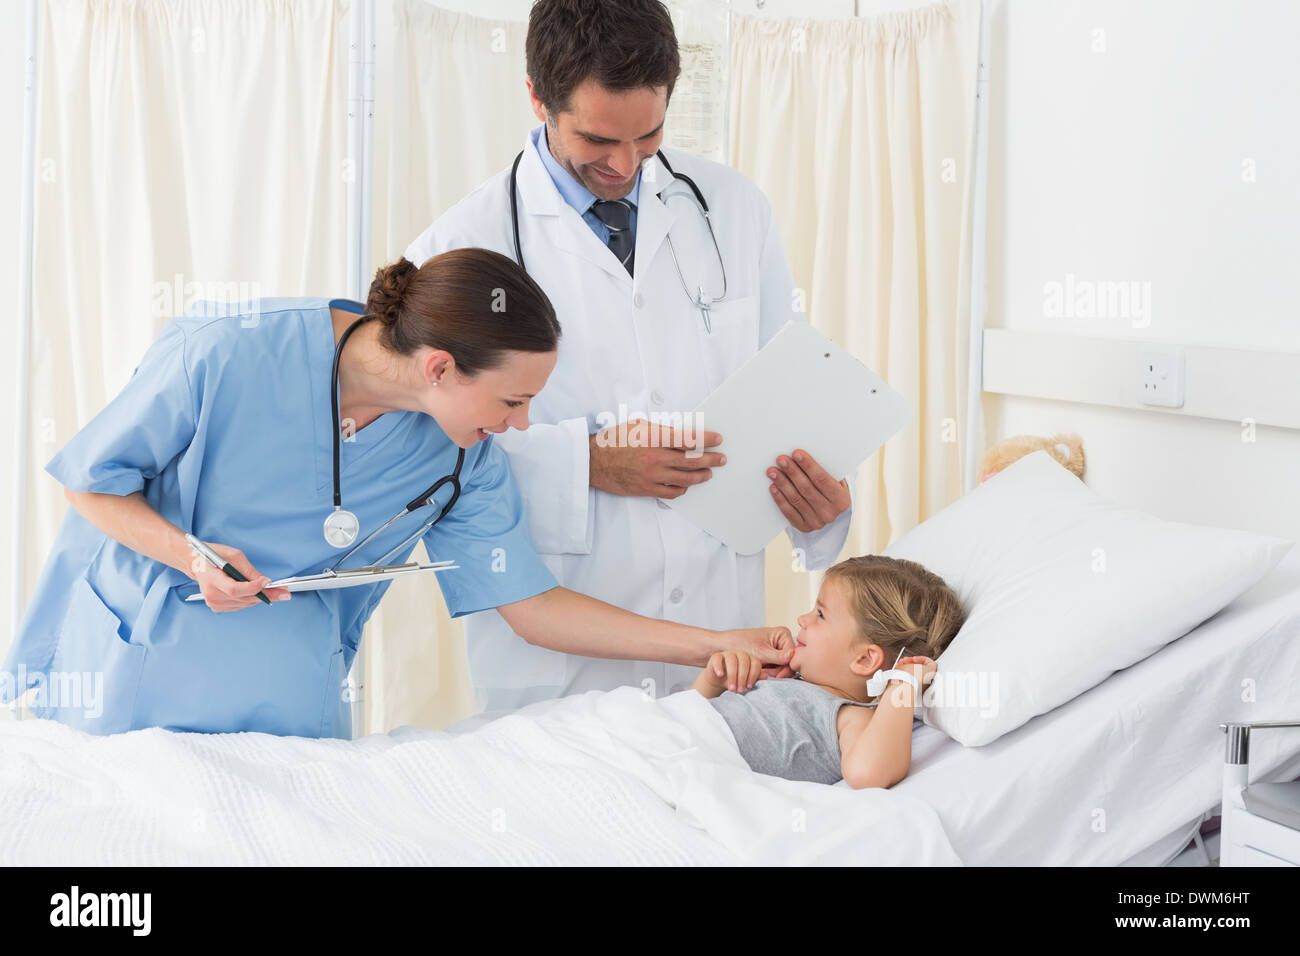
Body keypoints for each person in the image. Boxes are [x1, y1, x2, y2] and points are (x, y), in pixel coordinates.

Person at [0, 248, 793, 739]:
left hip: (287, 704)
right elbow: (89, 482)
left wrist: (714, 641)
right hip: (136, 678)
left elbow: (533, 605)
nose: (521, 427)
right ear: (440, 367)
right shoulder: (227, 350)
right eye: (512, 402)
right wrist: (193, 556)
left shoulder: (461, 457)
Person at [405, 0, 854, 712]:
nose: (623, 164)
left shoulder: (733, 210)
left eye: (648, 136)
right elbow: (424, 451)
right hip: (562, 668)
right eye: (597, 140)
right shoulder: (460, 245)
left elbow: (787, 390)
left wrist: (819, 502)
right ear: (536, 97)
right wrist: (587, 463)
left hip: (721, 644)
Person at [691, 555, 967, 788]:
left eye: (820, 615)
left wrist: (903, 685)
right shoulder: (778, 679)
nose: (803, 619)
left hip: (692, 768)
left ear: (864, 659)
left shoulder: (849, 716)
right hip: (668, 740)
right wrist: (712, 682)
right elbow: (685, 716)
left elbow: (867, 773)